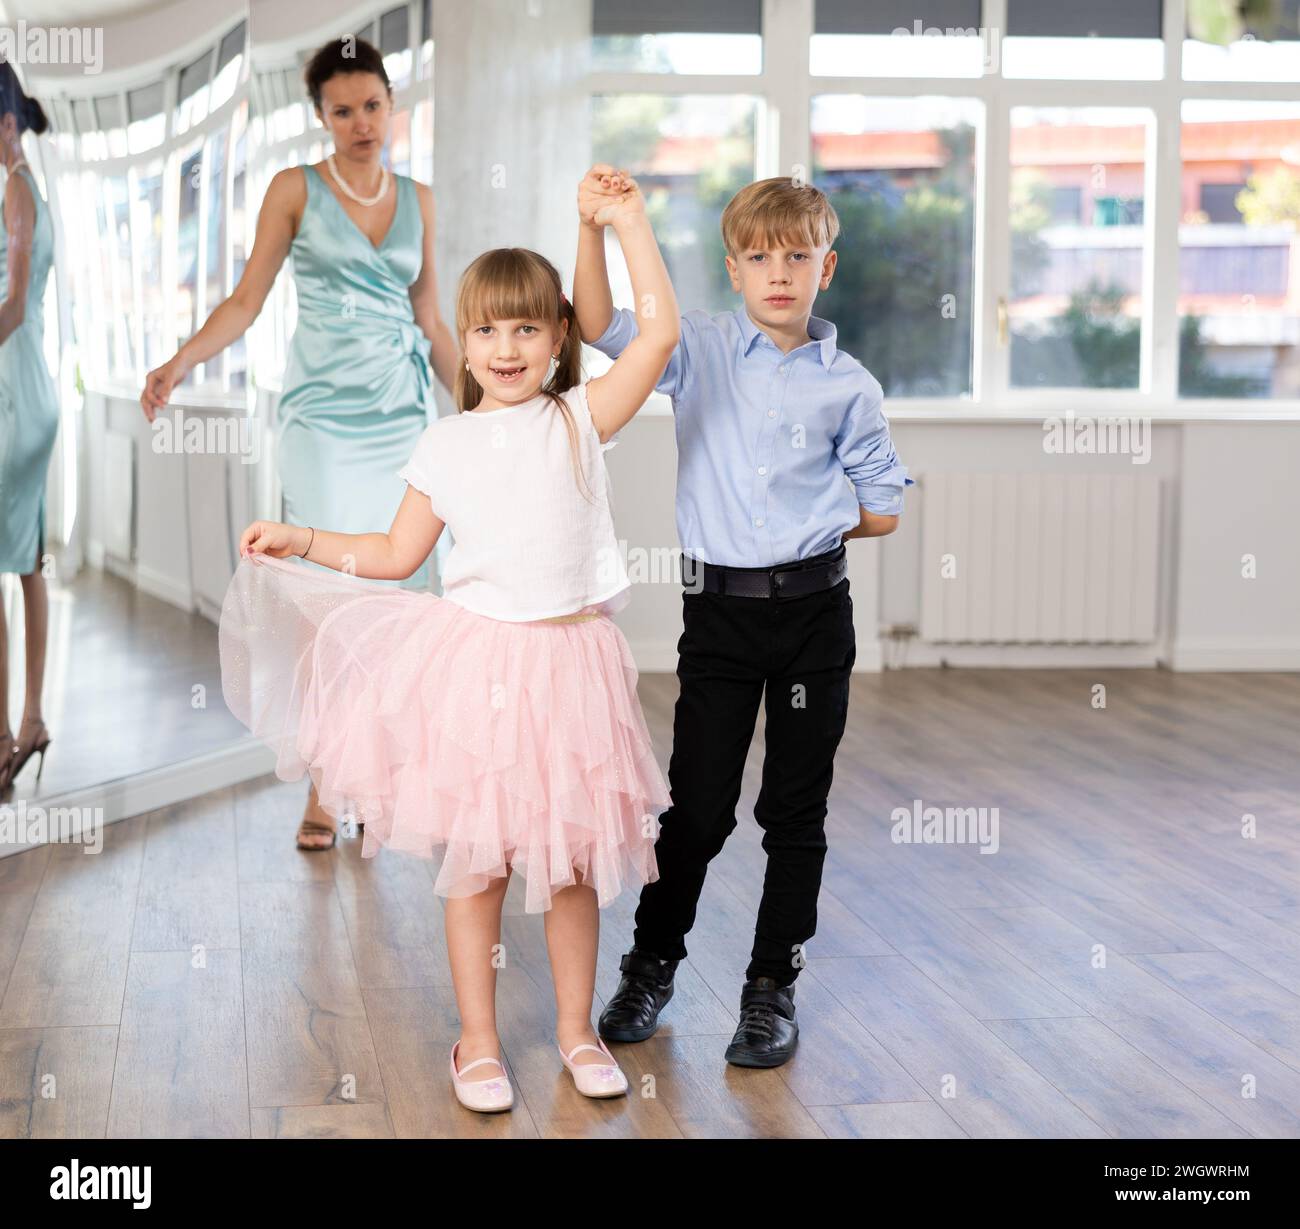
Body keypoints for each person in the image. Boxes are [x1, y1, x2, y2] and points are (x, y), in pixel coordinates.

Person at [219, 174, 680, 1112]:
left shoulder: (578, 420)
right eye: (486, 330)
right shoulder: (446, 443)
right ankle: (475, 1040)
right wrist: (303, 538)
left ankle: (576, 1027)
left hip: (572, 670)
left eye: (526, 329)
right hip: (481, 672)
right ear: (462, 341)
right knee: (480, 863)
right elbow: (394, 554)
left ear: (559, 341)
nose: (504, 348)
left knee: (576, 865)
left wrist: (622, 221)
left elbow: (660, 335)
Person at [575, 169, 914, 1068]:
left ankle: (771, 990)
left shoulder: (851, 387)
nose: (779, 272)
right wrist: (595, 228)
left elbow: (883, 508)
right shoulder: (699, 349)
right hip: (719, 619)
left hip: (812, 618)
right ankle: (651, 965)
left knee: (793, 813)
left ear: (825, 269)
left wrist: (820, 520)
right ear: (734, 270)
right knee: (697, 809)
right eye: (760, 257)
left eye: (796, 256)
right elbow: (595, 322)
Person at [140, 37, 457, 849]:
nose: (360, 123)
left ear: (392, 104)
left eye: (372, 105)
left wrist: (495, 413)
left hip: (401, 418)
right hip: (322, 423)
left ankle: (378, 778)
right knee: (329, 607)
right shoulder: (293, 189)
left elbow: (431, 322)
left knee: (395, 604)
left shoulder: (420, 197)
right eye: (342, 110)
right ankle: (323, 784)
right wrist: (179, 361)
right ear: (321, 116)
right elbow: (247, 301)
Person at [0, 63, 56, 794]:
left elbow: (12, 303)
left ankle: (3, 736)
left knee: (8, 562)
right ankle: (32, 719)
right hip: (29, 384)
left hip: (11, 388)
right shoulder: (32, 188)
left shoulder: (15, 189)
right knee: (27, 562)